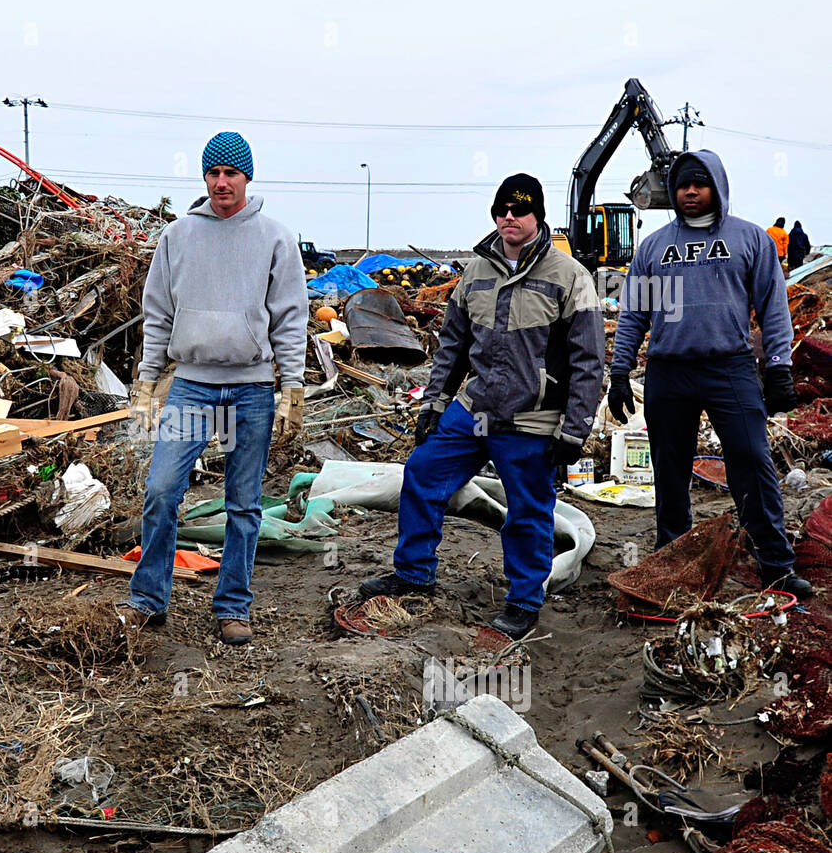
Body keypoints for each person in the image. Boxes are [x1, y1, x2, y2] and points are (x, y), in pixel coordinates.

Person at [358, 173, 604, 640]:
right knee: (422, 474)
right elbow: (452, 343)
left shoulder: (569, 277)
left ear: (539, 217)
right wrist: (434, 402)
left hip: (533, 419)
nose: (510, 217)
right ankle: (414, 572)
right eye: (503, 209)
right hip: (474, 409)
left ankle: (524, 601)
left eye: (521, 209)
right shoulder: (476, 272)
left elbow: (589, 360)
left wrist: (575, 429)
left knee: (529, 512)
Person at [122, 131, 308, 645]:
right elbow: (157, 315)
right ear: (203, 177)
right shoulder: (177, 237)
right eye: (214, 173)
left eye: (231, 173)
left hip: (250, 389)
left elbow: (291, 320)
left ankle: (232, 606)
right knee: (161, 492)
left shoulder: (274, 237)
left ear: (247, 176)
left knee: (244, 504)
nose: (222, 182)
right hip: (192, 387)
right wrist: (144, 381)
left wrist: (290, 388)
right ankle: (148, 599)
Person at [609, 150, 812, 598]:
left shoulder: (750, 239)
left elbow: (774, 306)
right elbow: (633, 314)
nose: (690, 191)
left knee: (753, 463)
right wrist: (620, 370)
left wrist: (779, 367)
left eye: (700, 183)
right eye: (683, 185)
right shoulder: (654, 246)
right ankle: (673, 560)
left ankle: (776, 566)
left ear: (716, 186)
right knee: (670, 470)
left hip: (731, 368)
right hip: (668, 371)